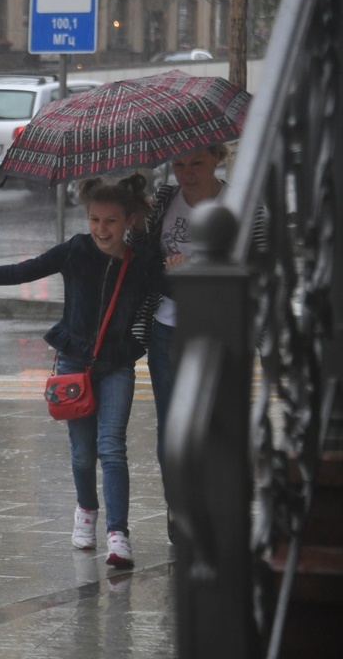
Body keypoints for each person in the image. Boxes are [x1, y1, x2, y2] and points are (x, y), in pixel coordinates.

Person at [0, 176, 164, 569]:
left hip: (118, 363)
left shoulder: (142, 263)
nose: (101, 230)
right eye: (94, 219)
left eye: (111, 222)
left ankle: (118, 534)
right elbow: (26, 270)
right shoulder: (77, 250)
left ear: (129, 221)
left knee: (111, 448)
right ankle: (86, 510)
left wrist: (177, 260)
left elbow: (171, 286)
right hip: (74, 363)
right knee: (84, 454)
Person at [129, 144, 227, 543]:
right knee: (171, 425)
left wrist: (199, 268)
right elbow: (143, 259)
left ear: (217, 159)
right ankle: (179, 508)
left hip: (218, 330)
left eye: (197, 164)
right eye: (179, 164)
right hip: (167, 327)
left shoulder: (239, 204)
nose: (187, 173)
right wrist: (137, 233)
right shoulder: (165, 200)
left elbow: (258, 262)